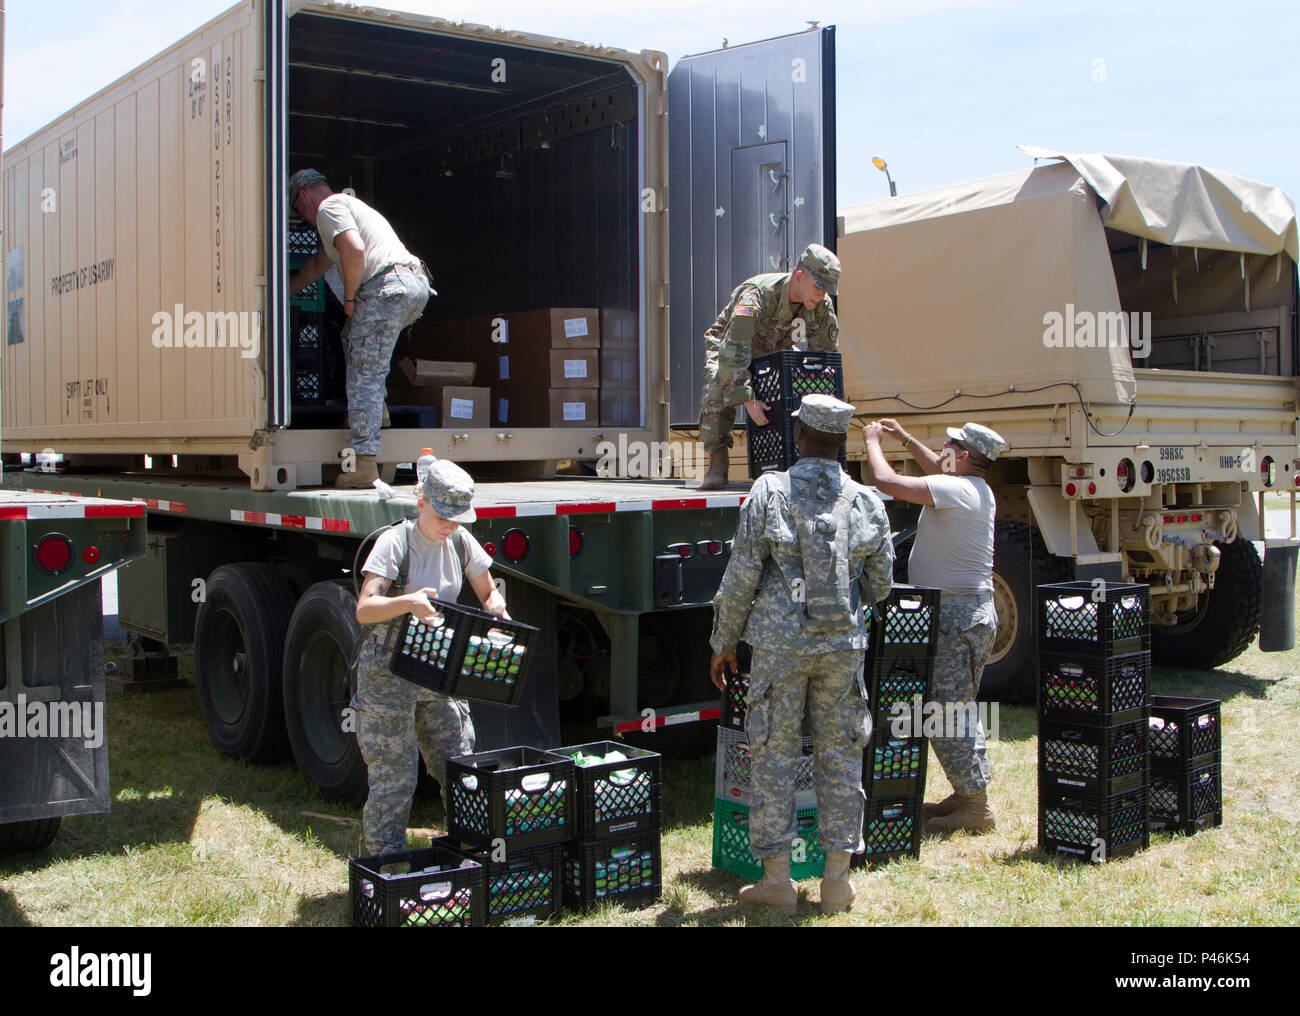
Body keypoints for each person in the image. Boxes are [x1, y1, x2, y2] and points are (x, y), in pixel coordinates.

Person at [710, 395, 895, 915]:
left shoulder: (768, 491)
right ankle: (837, 881)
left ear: (799, 436)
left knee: (774, 754)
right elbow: (881, 587)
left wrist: (723, 643)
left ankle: (777, 883)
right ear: (841, 443)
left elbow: (742, 577)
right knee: (840, 755)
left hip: (779, 648)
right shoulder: (866, 502)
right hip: (842, 647)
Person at [352, 458, 509, 858]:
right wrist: (408, 602)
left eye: (458, 519)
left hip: (440, 670)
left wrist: (498, 613)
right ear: (421, 502)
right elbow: (365, 609)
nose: (450, 526)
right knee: (394, 780)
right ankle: (386, 873)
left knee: (461, 769)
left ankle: (469, 858)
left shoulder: (459, 541)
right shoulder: (395, 542)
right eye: (443, 516)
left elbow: (488, 592)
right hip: (389, 674)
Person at [861, 418, 1007, 833]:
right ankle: (967, 793)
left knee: (946, 711)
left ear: (963, 456)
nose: (942, 448)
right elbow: (937, 469)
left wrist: (873, 442)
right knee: (957, 706)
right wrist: (905, 438)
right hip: (970, 613)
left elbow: (887, 481)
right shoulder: (974, 487)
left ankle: (976, 807)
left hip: (955, 618)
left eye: (949, 445)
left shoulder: (956, 490)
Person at [287, 169, 432, 489]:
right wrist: (282, 293)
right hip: (412, 285)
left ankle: (364, 464)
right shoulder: (349, 211)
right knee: (355, 341)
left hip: (385, 288)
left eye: (298, 210)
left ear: (304, 196)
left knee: (362, 372)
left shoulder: (329, 207)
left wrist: (350, 299)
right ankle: (377, 412)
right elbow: (316, 266)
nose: (304, 218)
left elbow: (353, 250)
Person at [697, 243, 842, 490]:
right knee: (717, 388)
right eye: (819, 286)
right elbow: (734, 348)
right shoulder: (755, 295)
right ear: (799, 276)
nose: (821, 295)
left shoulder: (820, 305)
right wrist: (747, 398)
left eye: (826, 289)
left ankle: (789, 460)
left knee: (795, 386)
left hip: (770, 351)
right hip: (728, 348)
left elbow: (827, 357)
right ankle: (717, 461)